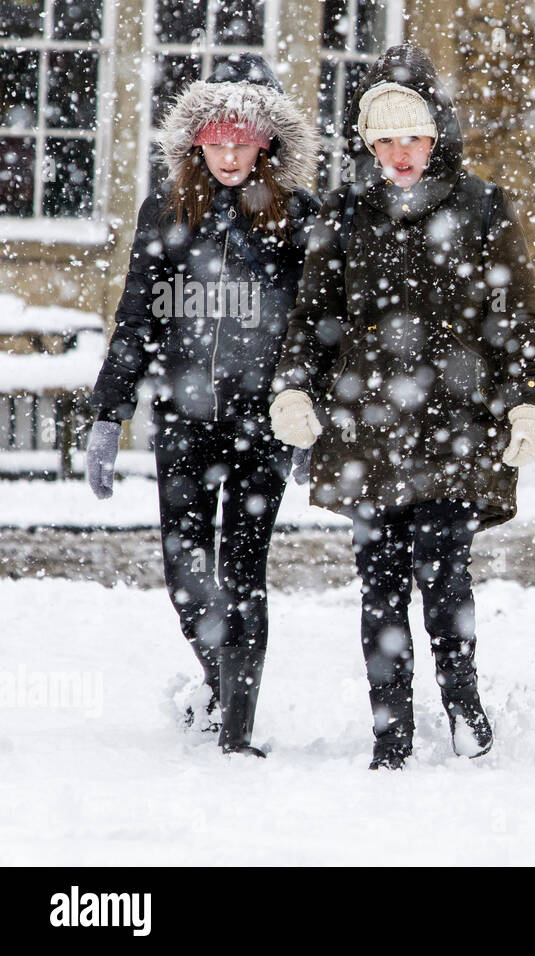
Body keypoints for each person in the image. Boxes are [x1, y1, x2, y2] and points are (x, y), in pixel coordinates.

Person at [271, 44, 535, 770]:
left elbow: (515, 316)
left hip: (456, 425)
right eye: (387, 138)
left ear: (438, 135)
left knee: (446, 569)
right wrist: (296, 388)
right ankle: (390, 727)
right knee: (380, 582)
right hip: (369, 425)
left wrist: (527, 402)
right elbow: (314, 317)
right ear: (368, 143)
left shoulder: (482, 205)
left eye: (415, 136)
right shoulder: (345, 212)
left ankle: (463, 703)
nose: (402, 153)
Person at [85, 54, 320, 756]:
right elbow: (137, 316)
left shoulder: (298, 218)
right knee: (185, 571)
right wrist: (109, 411)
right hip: (185, 422)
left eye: (241, 141)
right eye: (216, 140)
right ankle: (222, 684)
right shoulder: (168, 209)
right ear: (196, 143)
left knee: (245, 571)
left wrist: (309, 417)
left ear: (265, 144)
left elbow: (316, 324)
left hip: (263, 424)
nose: (228, 153)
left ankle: (237, 730)